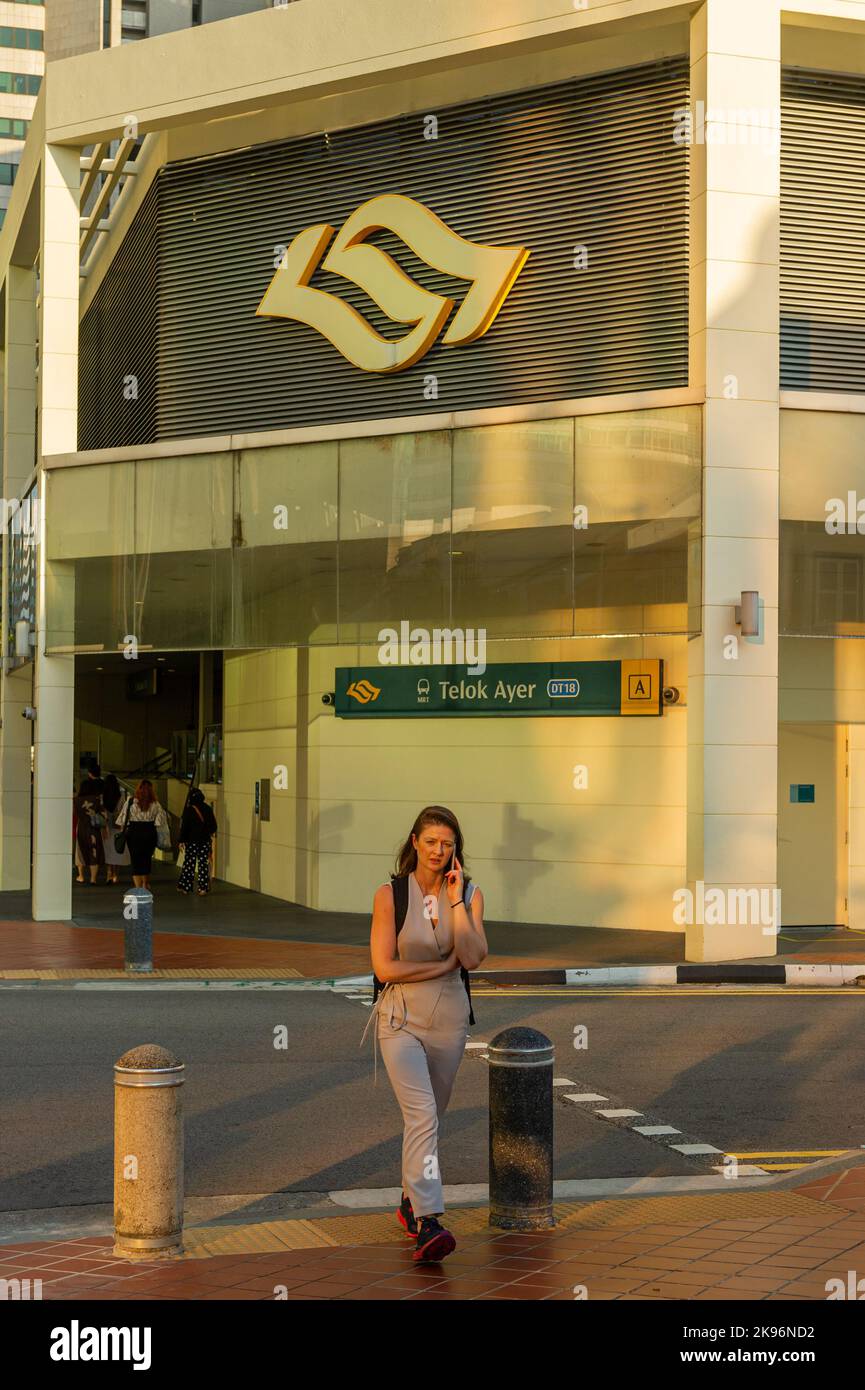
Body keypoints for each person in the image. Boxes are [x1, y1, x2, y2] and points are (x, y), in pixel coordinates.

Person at [361, 805, 488, 1264]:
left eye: (448, 843)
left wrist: (455, 901)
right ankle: (428, 1220)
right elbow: (384, 967)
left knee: (428, 1119)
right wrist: (437, 966)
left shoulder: (469, 893)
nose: (439, 850)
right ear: (414, 842)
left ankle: (407, 1200)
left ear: (456, 850)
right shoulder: (389, 895)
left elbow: (472, 956)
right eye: (431, 841)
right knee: (423, 1116)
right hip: (399, 1019)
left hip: (449, 1020)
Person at [116, 779, 169, 890]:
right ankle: (145, 884)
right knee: (146, 859)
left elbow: (123, 819)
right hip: (149, 832)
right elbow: (160, 822)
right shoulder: (155, 804)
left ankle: (138, 887)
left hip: (134, 833)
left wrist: (122, 831)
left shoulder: (130, 802)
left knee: (135, 860)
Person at [177, 788, 217, 896]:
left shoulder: (189, 810)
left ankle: (186, 887)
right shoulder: (208, 809)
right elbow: (214, 826)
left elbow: (184, 827)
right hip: (204, 841)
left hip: (192, 841)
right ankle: (202, 888)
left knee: (189, 864)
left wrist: (181, 840)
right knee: (203, 864)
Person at [74, 766, 106, 886]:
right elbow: (103, 814)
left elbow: (74, 813)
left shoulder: (76, 800)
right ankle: (93, 878)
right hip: (94, 828)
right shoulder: (97, 799)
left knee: (80, 852)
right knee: (94, 851)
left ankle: (81, 876)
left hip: (81, 826)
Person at [101, 773, 130, 885]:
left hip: (106, 827)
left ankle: (109, 873)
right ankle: (115, 875)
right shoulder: (121, 796)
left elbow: (102, 811)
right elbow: (123, 812)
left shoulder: (103, 796)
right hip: (118, 826)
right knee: (118, 849)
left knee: (108, 851)